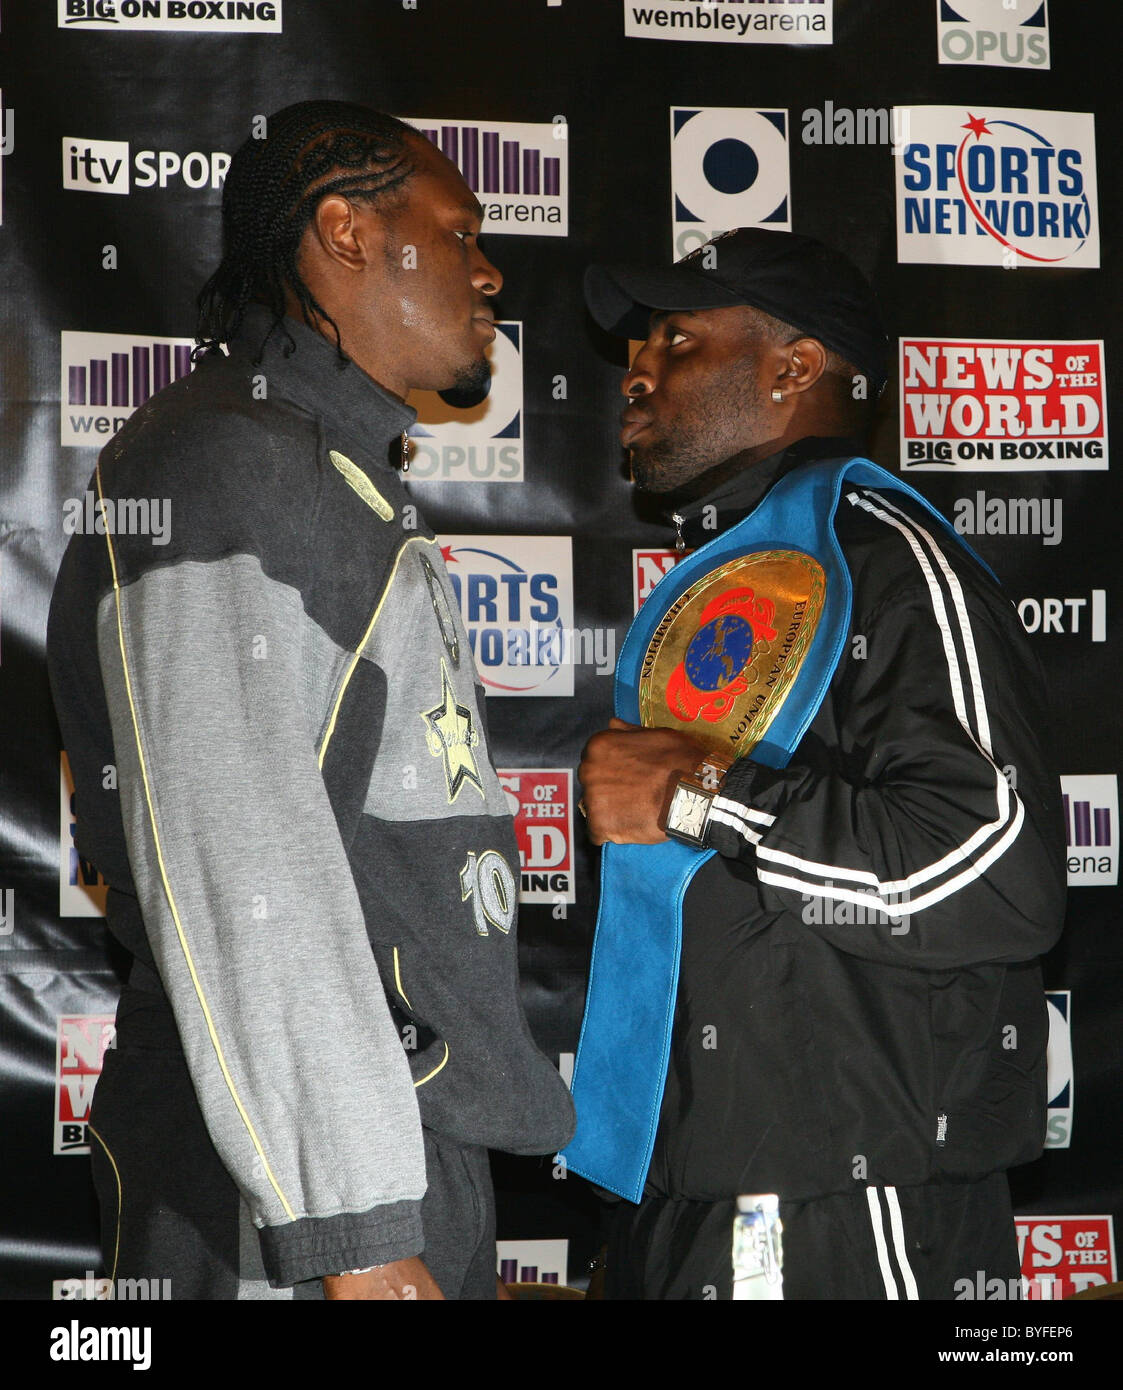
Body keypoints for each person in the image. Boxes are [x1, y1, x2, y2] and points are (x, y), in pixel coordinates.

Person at [47, 100, 574, 1302]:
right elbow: (242, 853)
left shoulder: (314, 464)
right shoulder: (224, 460)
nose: (488, 268)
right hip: (289, 1192)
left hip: (373, 1143)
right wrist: (353, 1220)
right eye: (455, 230)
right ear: (343, 229)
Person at [566, 227, 1065, 1300]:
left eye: (678, 339)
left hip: (850, 1211)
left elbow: (999, 868)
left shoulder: (893, 561)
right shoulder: (748, 566)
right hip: (691, 1192)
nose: (638, 370)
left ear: (793, 367)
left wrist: (697, 792)